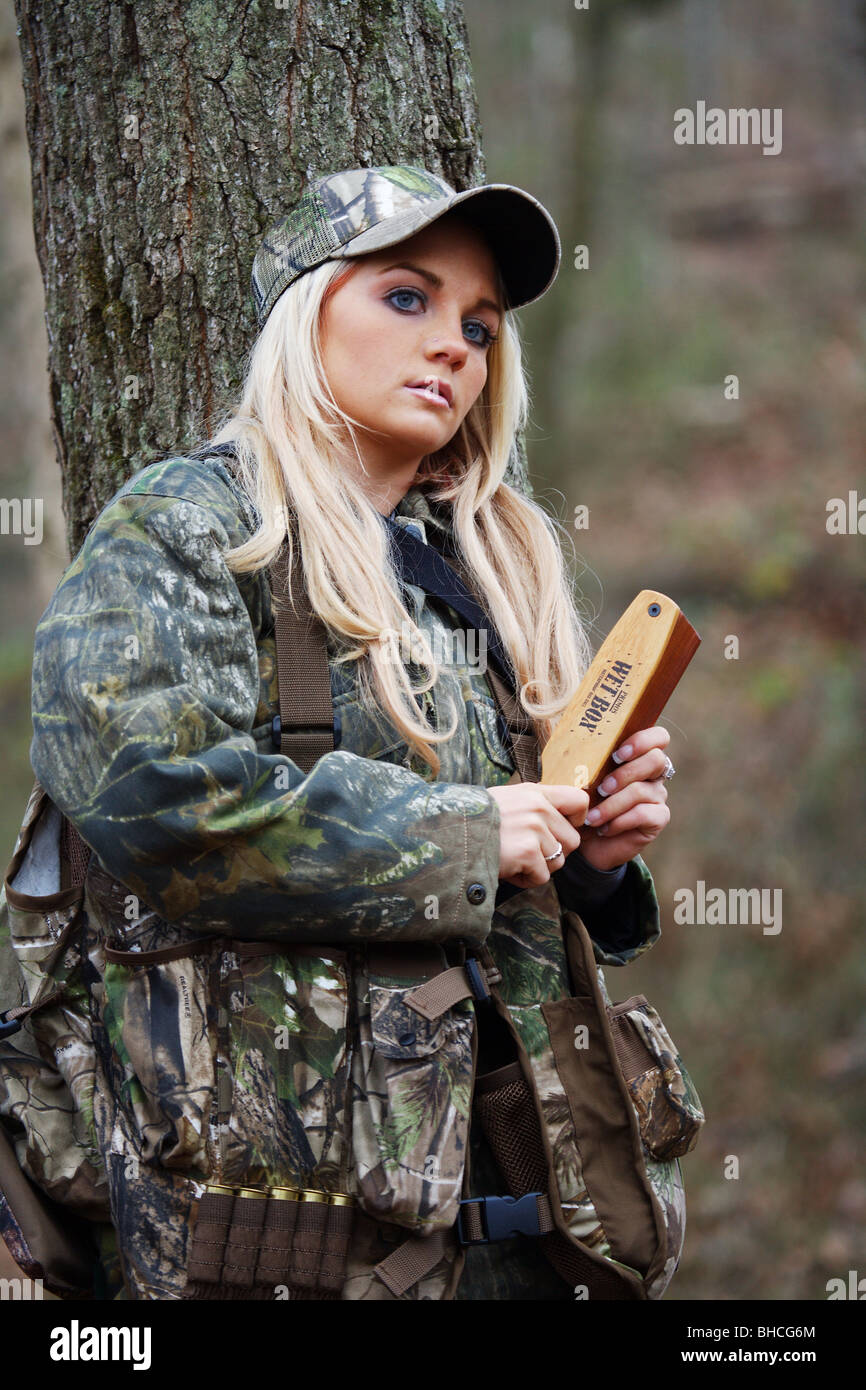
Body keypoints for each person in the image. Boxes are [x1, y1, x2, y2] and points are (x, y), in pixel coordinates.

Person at [27, 165, 681, 1301]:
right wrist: (472, 832)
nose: (454, 347)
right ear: (302, 312)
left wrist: (591, 865)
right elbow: (154, 799)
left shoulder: (482, 574)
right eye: (405, 298)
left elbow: (503, 920)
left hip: (519, 1238)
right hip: (282, 1250)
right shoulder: (186, 527)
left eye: (478, 327)